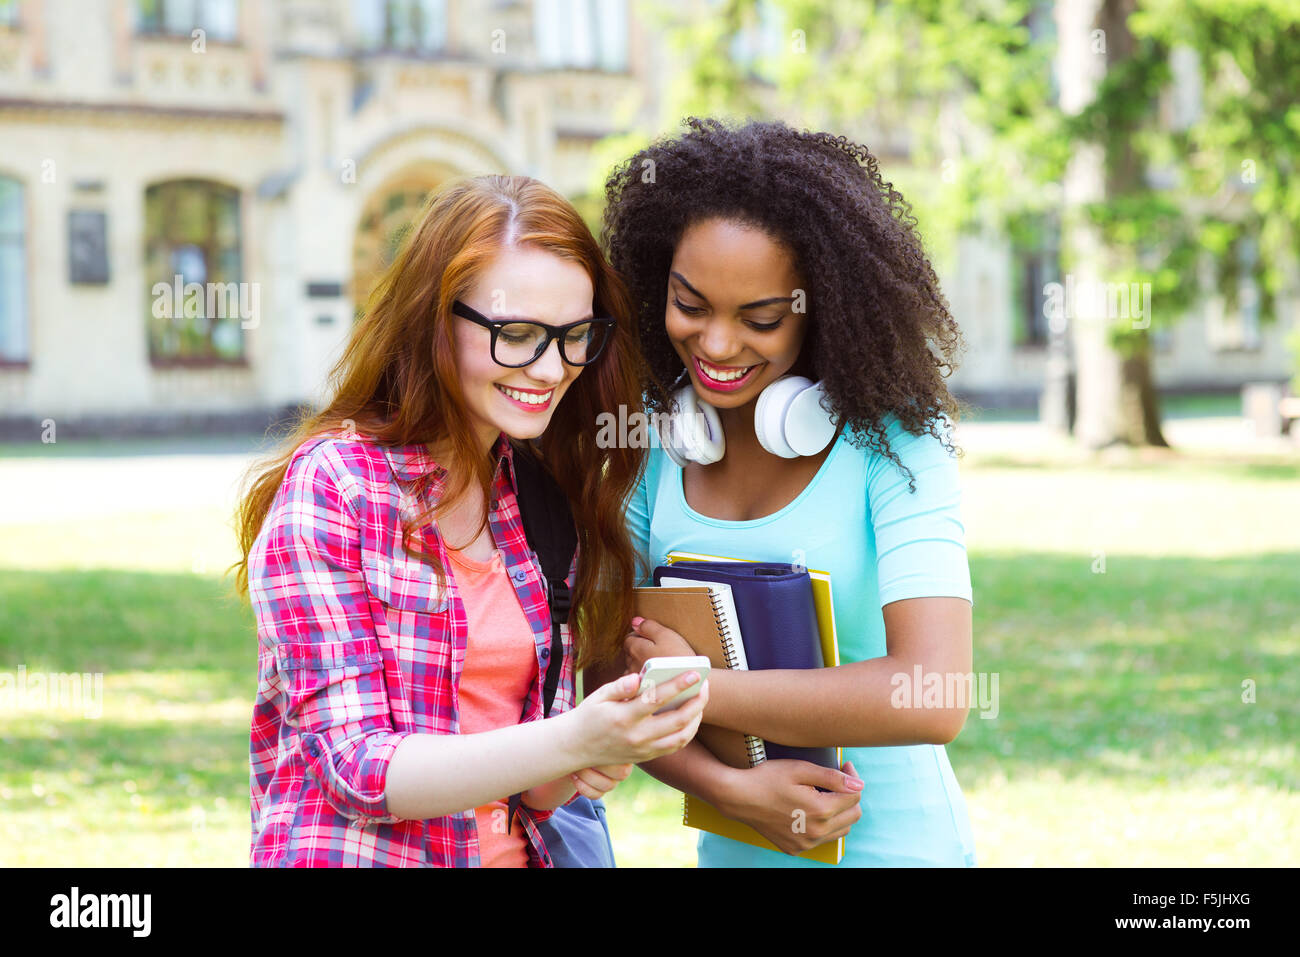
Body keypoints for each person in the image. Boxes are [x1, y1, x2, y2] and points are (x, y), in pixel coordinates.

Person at [233, 174, 707, 867]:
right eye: (517, 334)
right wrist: (574, 739)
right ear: (435, 318)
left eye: (575, 336)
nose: (551, 368)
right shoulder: (334, 486)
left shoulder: (539, 502)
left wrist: (599, 749)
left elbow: (531, 784)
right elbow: (357, 767)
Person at [593, 117, 978, 867]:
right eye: (690, 304)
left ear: (823, 308)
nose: (716, 344)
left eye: (761, 319)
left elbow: (932, 692)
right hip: (735, 845)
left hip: (898, 848)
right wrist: (728, 790)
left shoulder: (897, 443)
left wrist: (696, 688)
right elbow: (606, 669)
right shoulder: (650, 440)